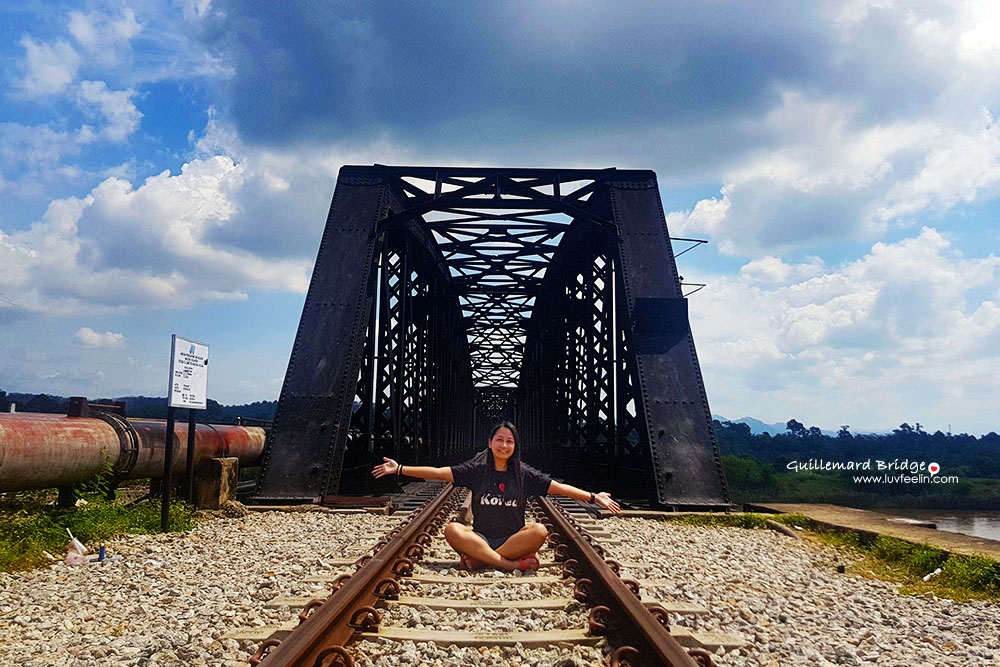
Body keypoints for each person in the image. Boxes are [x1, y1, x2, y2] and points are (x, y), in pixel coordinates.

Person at [372, 421, 621, 572]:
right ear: (490, 443)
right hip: (481, 537)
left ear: (515, 446)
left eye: (509, 441)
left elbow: (559, 488)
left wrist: (592, 496)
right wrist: (401, 468)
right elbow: (438, 473)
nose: (504, 445)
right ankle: (508, 564)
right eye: (499, 440)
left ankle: (484, 559)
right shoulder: (475, 471)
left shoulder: (524, 474)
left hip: (512, 539)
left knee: (540, 531)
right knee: (452, 530)